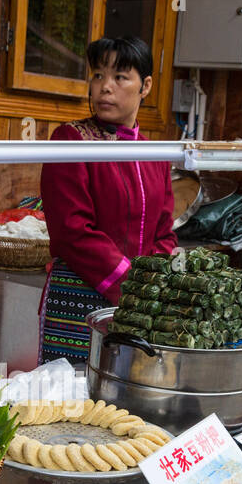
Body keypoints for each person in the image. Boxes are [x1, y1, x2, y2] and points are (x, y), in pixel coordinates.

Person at [38, 36, 178, 364]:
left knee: (126, 402)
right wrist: (131, 285)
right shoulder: (71, 139)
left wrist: (148, 284)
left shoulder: (154, 154)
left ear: (145, 86)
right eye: (98, 75)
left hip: (140, 304)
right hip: (78, 298)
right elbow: (72, 230)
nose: (105, 87)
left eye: (119, 77)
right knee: (71, 402)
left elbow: (165, 232)